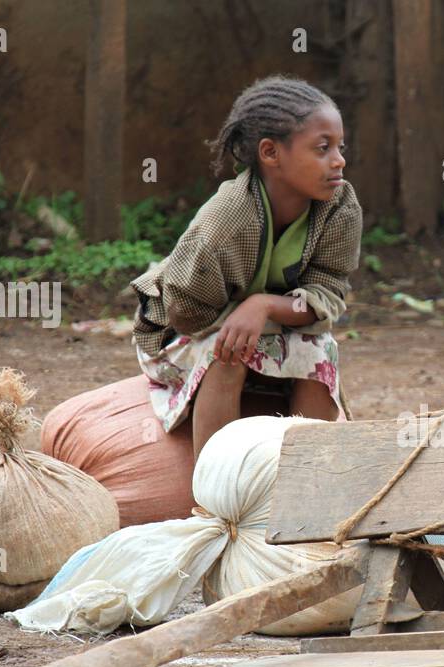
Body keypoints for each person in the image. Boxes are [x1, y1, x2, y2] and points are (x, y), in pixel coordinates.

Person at [130, 75, 362, 460]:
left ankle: (309, 476)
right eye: (322, 148)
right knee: (229, 353)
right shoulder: (226, 221)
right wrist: (244, 319)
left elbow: (328, 296)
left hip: (271, 325)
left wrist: (265, 307)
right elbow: (186, 313)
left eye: (340, 146)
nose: (339, 160)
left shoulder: (339, 206)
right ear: (271, 153)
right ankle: (216, 494)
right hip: (183, 333)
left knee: (322, 352)